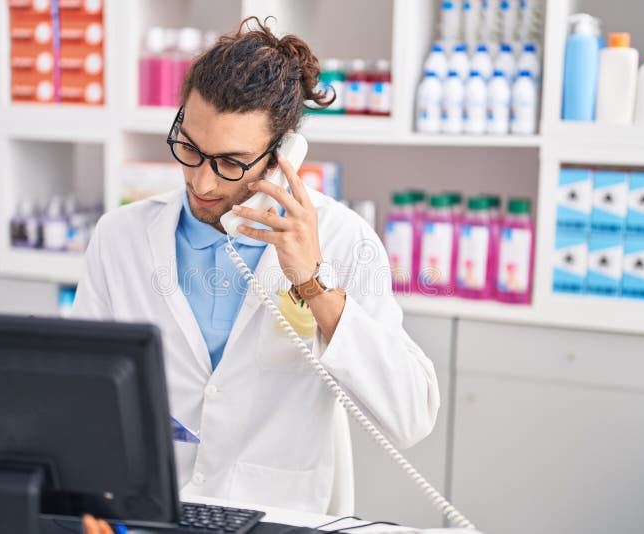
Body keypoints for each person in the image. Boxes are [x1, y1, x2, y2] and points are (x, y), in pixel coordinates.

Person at [72, 17, 439, 514]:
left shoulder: (341, 240)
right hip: (147, 512)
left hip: (274, 516)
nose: (202, 182)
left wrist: (315, 282)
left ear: (281, 154)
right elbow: (76, 390)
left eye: (230, 163)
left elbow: (412, 413)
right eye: (190, 149)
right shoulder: (121, 237)